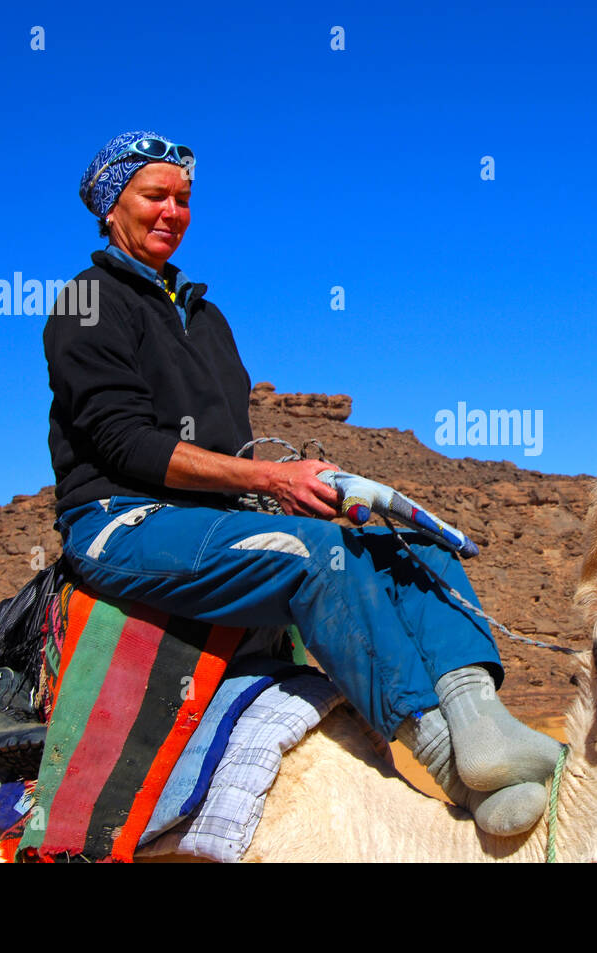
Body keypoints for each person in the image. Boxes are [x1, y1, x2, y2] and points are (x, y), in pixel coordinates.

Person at [43, 131, 561, 836]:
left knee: (404, 536)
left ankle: (482, 727)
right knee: (315, 555)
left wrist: (311, 484)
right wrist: (270, 479)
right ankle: (444, 760)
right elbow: (123, 443)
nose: (172, 211)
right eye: (154, 195)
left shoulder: (206, 315)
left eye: (184, 199)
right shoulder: (86, 302)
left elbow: (226, 440)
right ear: (111, 208)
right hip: (122, 519)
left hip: (216, 514)